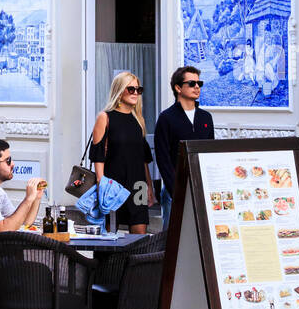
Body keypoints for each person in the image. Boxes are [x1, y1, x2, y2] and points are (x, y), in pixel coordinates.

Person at [90, 72, 155, 233]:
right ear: (119, 90)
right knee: (109, 234)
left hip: (138, 185)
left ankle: (134, 260)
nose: (135, 93)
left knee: (140, 236)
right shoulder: (105, 117)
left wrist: (149, 186)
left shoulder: (139, 120)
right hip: (113, 185)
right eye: (130, 89)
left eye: (138, 90)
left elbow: (144, 158)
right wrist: (101, 183)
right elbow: (98, 155)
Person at [154, 65, 215, 229]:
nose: (197, 87)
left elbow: (210, 152)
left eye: (199, 83)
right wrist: (175, 187)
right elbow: (162, 156)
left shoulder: (206, 117)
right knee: (171, 235)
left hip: (201, 185)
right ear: (178, 88)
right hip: (174, 188)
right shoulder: (166, 118)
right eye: (192, 83)